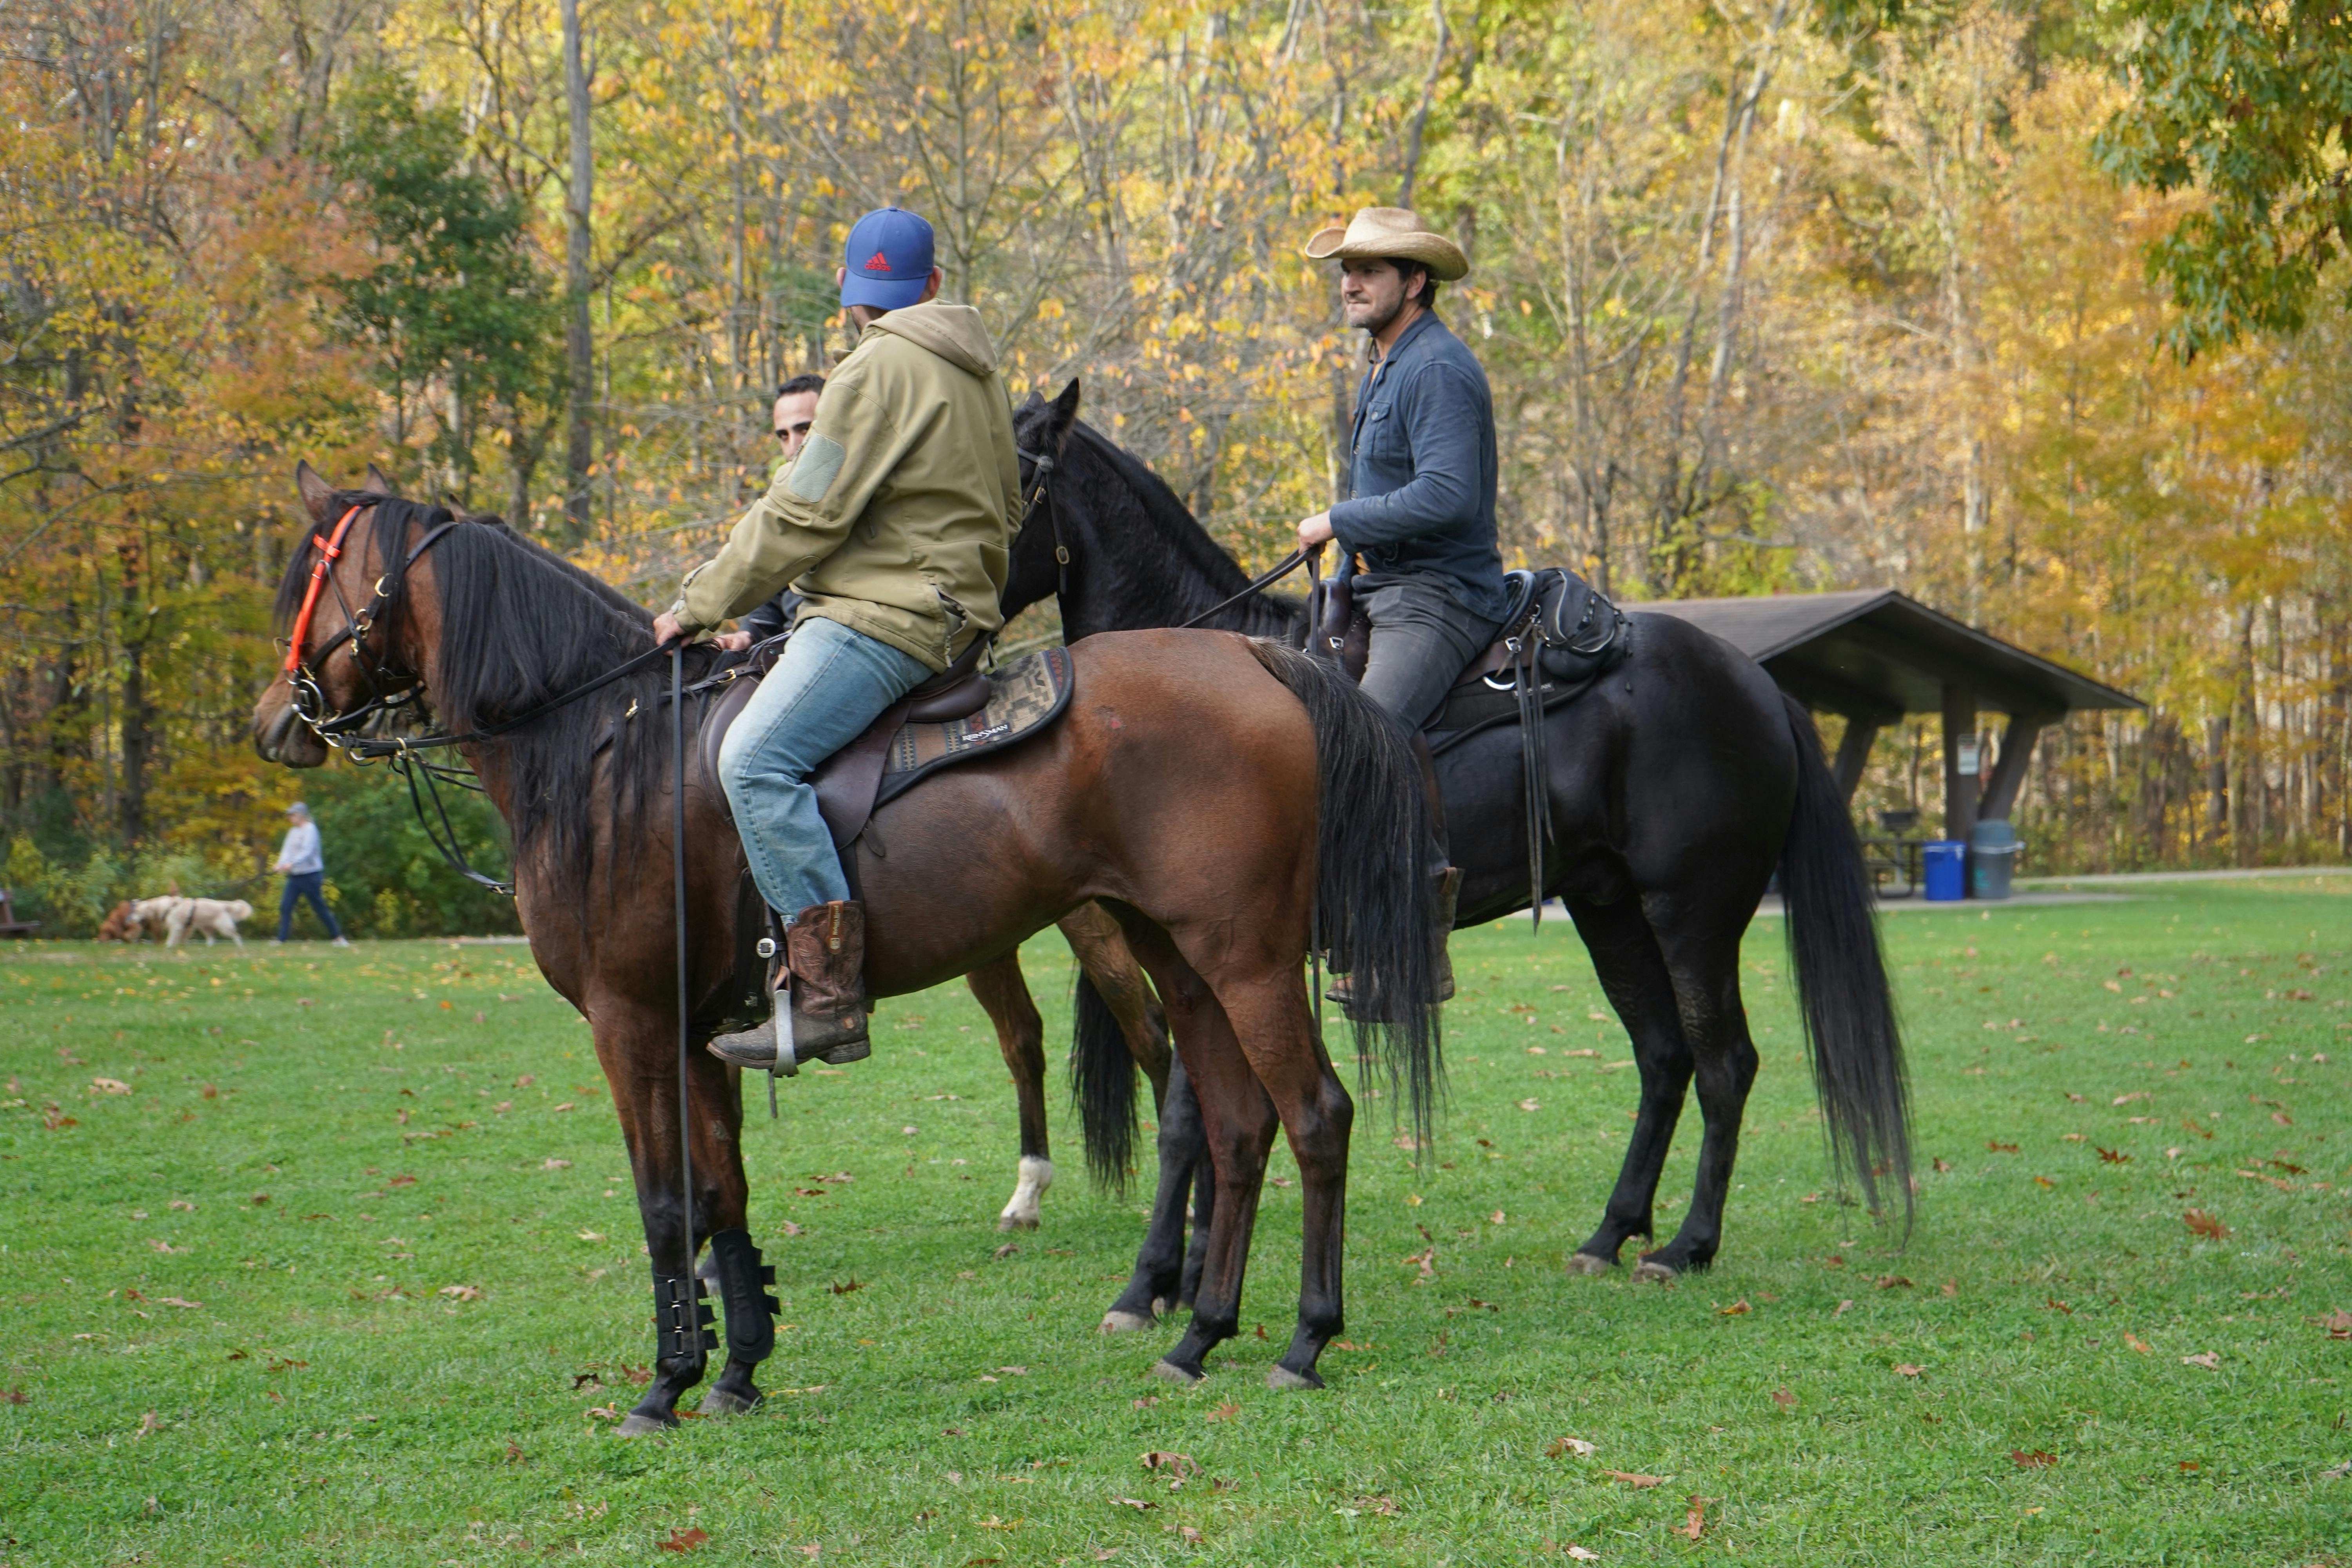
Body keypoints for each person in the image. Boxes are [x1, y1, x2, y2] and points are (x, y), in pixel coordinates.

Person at [650, 207, 1021, 1074]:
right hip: (957, 611)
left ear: (854, 297)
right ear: (931, 285)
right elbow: (1010, 507)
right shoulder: (977, 371)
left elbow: (801, 512)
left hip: (881, 618)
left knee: (752, 759)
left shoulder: (869, 370)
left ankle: (826, 997)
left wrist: (697, 604)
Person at [1295, 207, 1510, 1005]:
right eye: (1346, 269)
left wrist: (1337, 518)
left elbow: (1450, 496)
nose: (1350, 282)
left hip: (1442, 594)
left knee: (1370, 732)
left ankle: (1416, 950)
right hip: (1380, 586)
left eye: (1370, 270)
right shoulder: (1385, 363)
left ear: (1414, 281)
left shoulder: (1438, 368)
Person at [717, 374, 828, 652]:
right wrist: (750, 632)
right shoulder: (794, 497)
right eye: (784, 435)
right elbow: (777, 593)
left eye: (805, 429)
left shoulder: (863, 491)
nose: (793, 446)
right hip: (793, 643)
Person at [272, 802, 350, 947]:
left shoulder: (310, 830)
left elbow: (307, 852)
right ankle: (281, 939)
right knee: (286, 906)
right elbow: (286, 851)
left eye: (293, 815)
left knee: (319, 907)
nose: (290, 818)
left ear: (301, 816)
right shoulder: (293, 832)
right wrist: (280, 864)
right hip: (295, 877)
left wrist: (292, 863)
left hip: (311, 876)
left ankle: (338, 938)